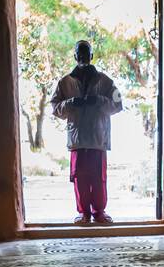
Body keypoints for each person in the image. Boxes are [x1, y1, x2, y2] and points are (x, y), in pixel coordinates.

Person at [50, 39, 123, 224]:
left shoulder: (106, 82)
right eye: (79, 53)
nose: (82, 56)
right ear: (75, 56)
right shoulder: (64, 83)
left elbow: (118, 104)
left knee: (99, 178)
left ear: (91, 56)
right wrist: (70, 103)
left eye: (86, 53)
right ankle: (84, 214)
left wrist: (99, 100)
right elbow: (55, 107)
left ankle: (99, 213)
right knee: (79, 179)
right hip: (77, 140)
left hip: (98, 139)